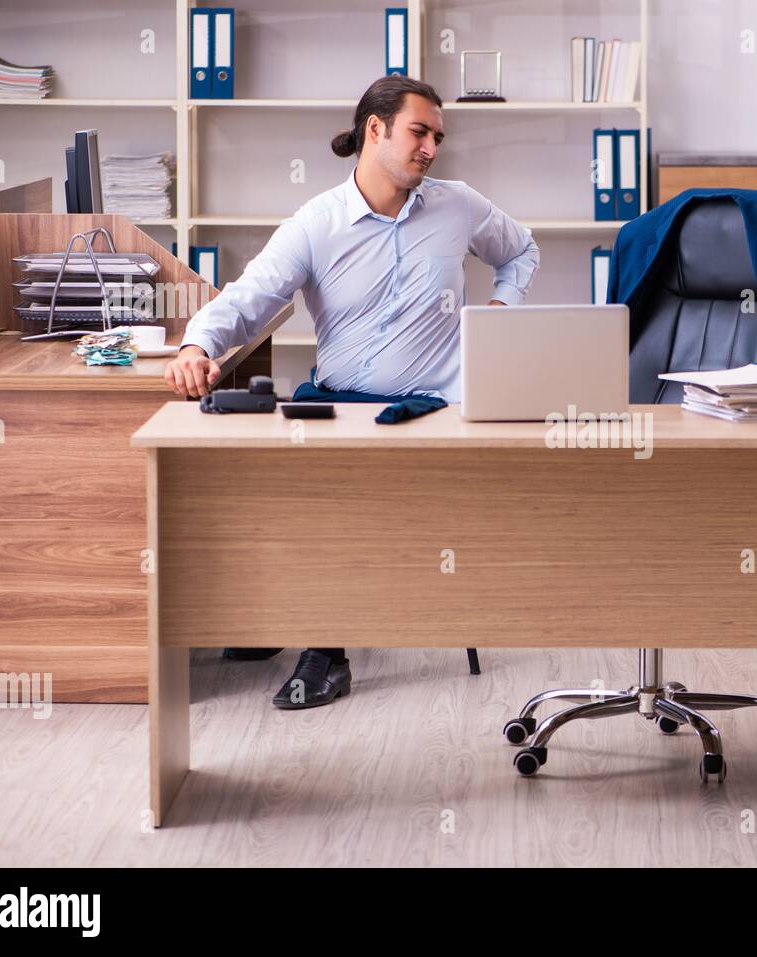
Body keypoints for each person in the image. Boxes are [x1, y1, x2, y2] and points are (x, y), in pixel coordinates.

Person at [164, 74, 540, 709]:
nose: (430, 148)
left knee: (334, 494)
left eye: (438, 138)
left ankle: (324, 652)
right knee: (250, 478)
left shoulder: (459, 204)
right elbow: (250, 301)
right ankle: (274, 612)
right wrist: (197, 346)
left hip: (438, 413)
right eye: (419, 132)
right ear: (376, 129)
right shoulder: (318, 223)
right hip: (341, 403)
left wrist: (503, 305)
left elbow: (521, 250)